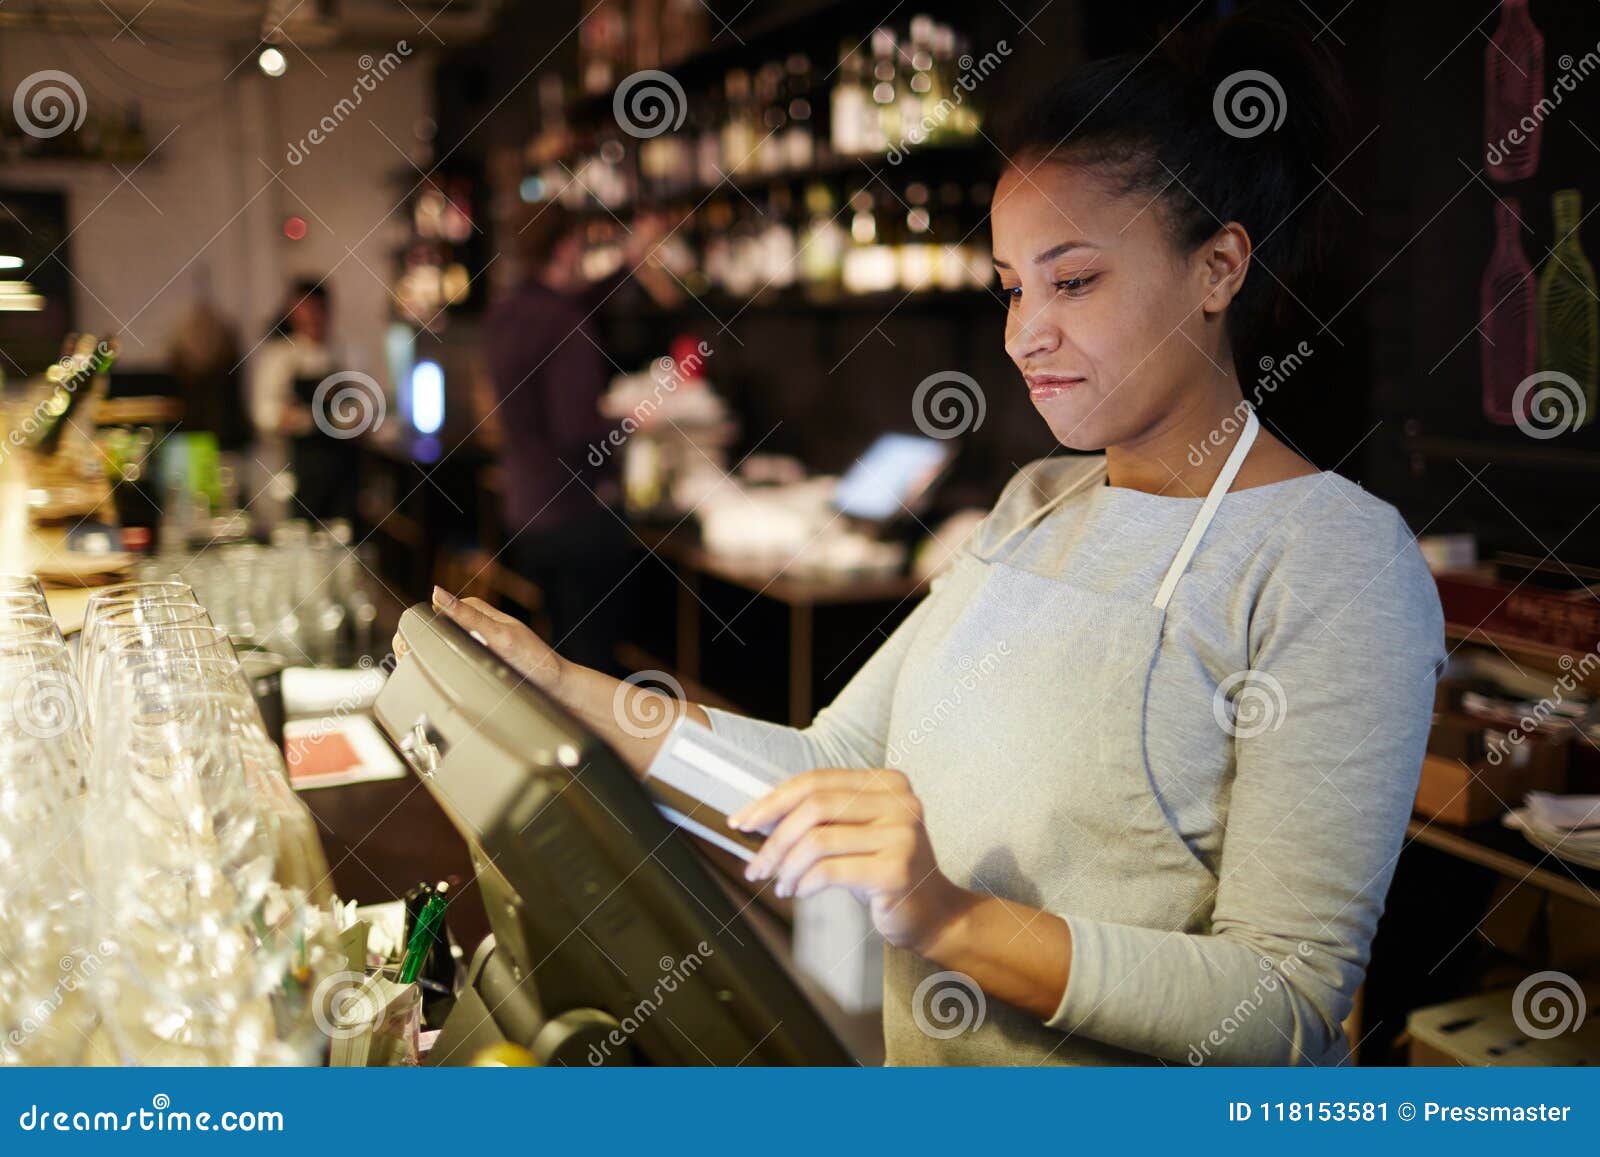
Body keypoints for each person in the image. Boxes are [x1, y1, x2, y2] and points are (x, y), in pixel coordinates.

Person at [423, 13, 1444, 1066]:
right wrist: (566, 686)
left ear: (1217, 268)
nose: (1023, 333)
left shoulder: (1334, 560)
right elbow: (827, 762)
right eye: (1010, 286)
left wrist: (947, 916)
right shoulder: (1035, 503)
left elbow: (1283, 1003)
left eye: (1073, 280)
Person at [477, 203, 676, 675]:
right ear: (567, 247)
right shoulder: (564, 324)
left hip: (527, 512)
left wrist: (629, 259)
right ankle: (597, 750)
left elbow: (582, 299)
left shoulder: (507, 311)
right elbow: (577, 432)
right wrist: (635, 419)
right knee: (591, 669)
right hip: (576, 518)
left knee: (558, 658)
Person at [247, 279, 358, 528]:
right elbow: (264, 413)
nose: (311, 317)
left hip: (343, 463)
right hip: (301, 462)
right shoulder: (281, 356)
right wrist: (301, 418)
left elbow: (359, 404)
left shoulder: (342, 351)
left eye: (317, 309)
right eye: (303, 310)